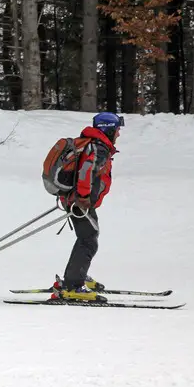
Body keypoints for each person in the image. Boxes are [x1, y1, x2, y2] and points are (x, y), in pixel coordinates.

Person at [52, 111, 123, 302]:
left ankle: (76, 277)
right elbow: (85, 172)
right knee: (88, 240)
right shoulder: (98, 147)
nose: (118, 134)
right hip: (79, 202)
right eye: (117, 130)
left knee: (88, 237)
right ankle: (73, 285)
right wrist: (83, 198)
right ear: (108, 130)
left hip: (76, 200)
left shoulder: (94, 144)